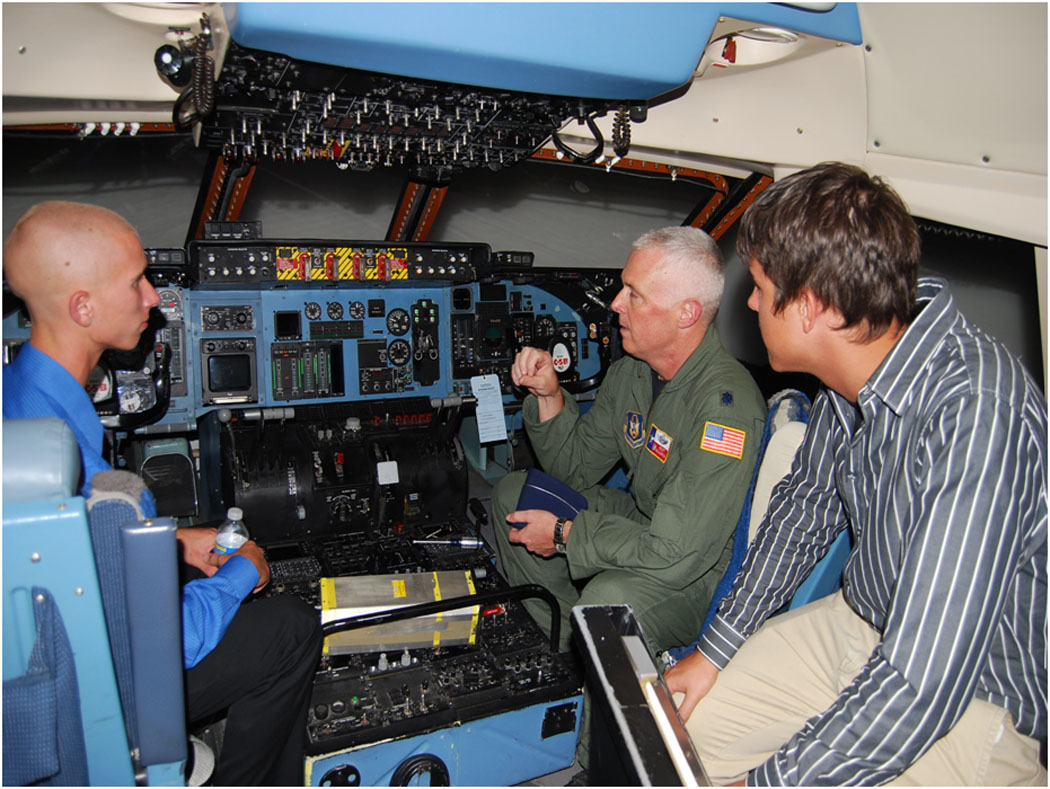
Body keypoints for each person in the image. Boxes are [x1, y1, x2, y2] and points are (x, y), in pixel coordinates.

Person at [665, 163, 1047, 785]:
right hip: (861, 622)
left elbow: (922, 680)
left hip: (971, 698)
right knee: (687, 731)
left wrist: (772, 783)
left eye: (760, 286)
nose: (752, 300)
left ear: (812, 307)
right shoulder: (860, 362)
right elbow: (807, 505)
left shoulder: (978, 413)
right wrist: (713, 651)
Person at [3, 201, 323, 785]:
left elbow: (79, 552)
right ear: (82, 306)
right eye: (136, 282)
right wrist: (241, 575)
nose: (153, 297)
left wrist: (174, 542)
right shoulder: (70, 460)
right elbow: (166, 641)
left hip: (34, 676)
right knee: (289, 628)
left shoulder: (20, 398)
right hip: (90, 700)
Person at [492, 226, 766, 654]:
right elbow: (572, 470)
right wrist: (549, 394)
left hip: (697, 573)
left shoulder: (724, 409)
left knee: (607, 603)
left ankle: (589, 657)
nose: (616, 304)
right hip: (649, 523)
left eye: (634, 294)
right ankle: (562, 644)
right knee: (516, 496)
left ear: (686, 314)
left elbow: (676, 553)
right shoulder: (633, 373)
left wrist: (567, 534)